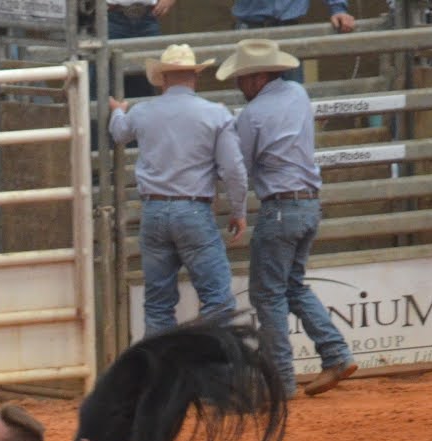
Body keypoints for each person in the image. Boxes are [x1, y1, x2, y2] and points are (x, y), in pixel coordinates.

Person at [223, 38, 355, 398]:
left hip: (280, 208)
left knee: (268, 295)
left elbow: (241, 166)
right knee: (292, 285)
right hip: (309, 204)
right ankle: (336, 353)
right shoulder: (297, 93)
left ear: (256, 77)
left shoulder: (251, 115)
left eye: (241, 78)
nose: (239, 85)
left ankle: (281, 379)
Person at [108, 44, 248, 338]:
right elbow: (233, 169)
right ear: (194, 77)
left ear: (163, 79)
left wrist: (118, 113)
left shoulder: (143, 111)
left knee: (158, 304)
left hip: (154, 210)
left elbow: (119, 133)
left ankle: (161, 378)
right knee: (218, 301)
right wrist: (238, 211)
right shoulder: (216, 114)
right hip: (193, 210)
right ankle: (215, 374)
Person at [230, 0, 354, 84]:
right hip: (251, 27)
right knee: (251, 92)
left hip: (289, 28)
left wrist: (338, 9)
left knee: (292, 94)